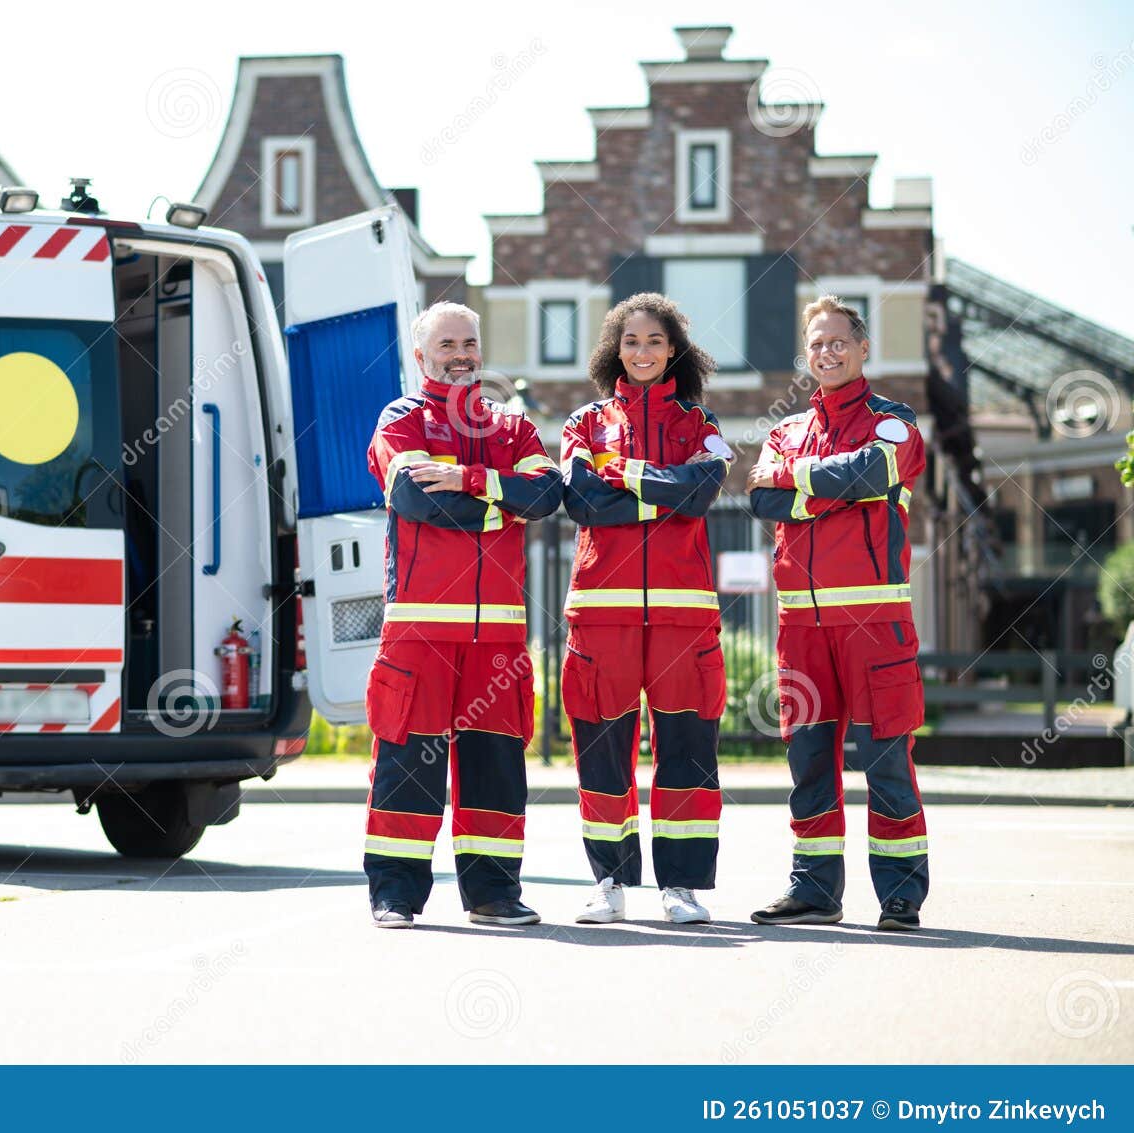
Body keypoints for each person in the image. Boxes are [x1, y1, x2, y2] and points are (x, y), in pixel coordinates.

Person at [363, 301, 562, 929]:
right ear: (421, 355)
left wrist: (473, 480)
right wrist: (504, 503)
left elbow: (547, 494)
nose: (460, 355)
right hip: (420, 629)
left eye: (468, 343)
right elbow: (415, 498)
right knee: (407, 763)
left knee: (495, 766)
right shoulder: (401, 419)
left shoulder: (513, 427)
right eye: (446, 344)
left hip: (497, 635)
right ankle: (395, 894)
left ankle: (493, 894)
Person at [746, 295, 929, 932]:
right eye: (817, 343)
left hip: (876, 625)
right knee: (809, 764)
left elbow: (872, 473)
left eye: (839, 341)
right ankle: (815, 891)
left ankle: (900, 896)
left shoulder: (895, 421)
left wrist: (797, 480)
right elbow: (761, 499)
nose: (827, 352)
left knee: (886, 761)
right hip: (801, 630)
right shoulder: (784, 430)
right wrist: (832, 489)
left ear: (862, 348)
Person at [559, 293, 733, 925]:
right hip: (601, 615)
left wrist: (626, 474)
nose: (642, 351)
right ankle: (608, 882)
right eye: (631, 340)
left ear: (674, 350)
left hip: (684, 618)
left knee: (687, 751)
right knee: (603, 752)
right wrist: (666, 488)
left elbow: (702, 494)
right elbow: (583, 501)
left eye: (655, 341)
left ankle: (681, 887)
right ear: (615, 348)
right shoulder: (584, 423)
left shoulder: (699, 422)